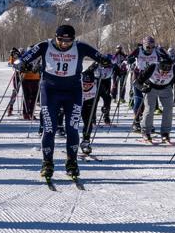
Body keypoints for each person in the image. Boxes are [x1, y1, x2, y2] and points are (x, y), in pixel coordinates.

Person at [16, 24, 110, 182]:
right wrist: (22, 64)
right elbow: (20, 60)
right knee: (50, 128)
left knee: (72, 128)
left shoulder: (80, 47)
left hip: (73, 92)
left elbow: (101, 57)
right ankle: (47, 163)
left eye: (69, 41)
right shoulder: (45, 46)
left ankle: (72, 162)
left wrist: (105, 61)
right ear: (56, 37)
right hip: (50, 92)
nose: (65, 44)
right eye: (61, 41)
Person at [134, 54, 175, 142]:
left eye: (167, 72)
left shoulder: (173, 68)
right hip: (151, 88)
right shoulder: (152, 67)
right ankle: (146, 132)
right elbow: (137, 82)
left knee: (168, 109)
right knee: (150, 108)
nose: (164, 74)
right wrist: (143, 88)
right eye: (162, 72)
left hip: (166, 88)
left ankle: (165, 133)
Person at [127, 36, 168, 127]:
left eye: (152, 47)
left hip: (150, 77)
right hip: (138, 76)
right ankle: (136, 121)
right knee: (138, 99)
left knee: (149, 102)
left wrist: (165, 59)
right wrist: (131, 60)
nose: (150, 49)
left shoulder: (156, 51)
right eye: (148, 47)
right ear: (144, 45)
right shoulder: (138, 50)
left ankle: (146, 122)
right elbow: (128, 58)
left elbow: (167, 58)